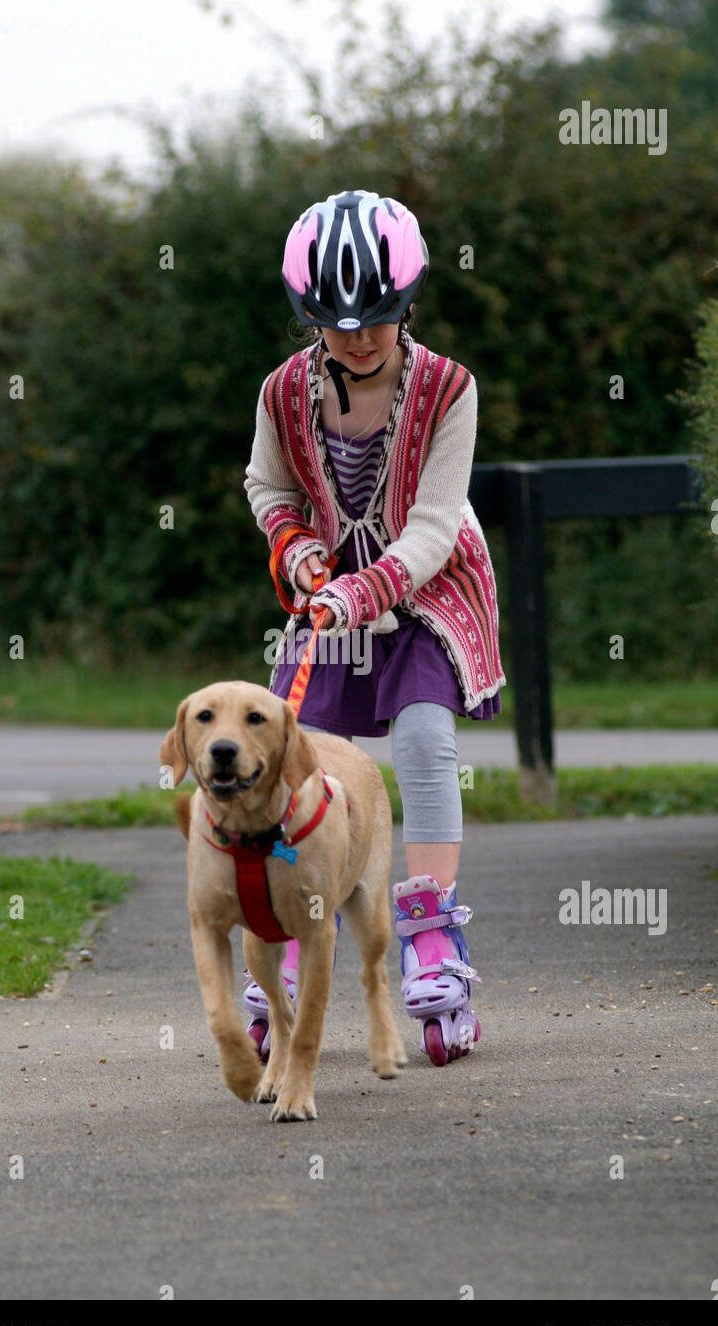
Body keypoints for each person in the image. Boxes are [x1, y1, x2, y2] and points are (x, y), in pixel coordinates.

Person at [243, 188, 505, 1067]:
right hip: (331, 595)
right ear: (307, 314)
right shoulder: (284, 392)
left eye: (377, 320)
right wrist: (298, 550)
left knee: (426, 740)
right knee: (289, 751)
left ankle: (432, 940)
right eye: (334, 322)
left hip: (428, 588)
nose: (357, 338)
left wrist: (367, 591)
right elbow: (268, 489)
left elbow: (434, 526)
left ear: (407, 303)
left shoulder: (448, 389)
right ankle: (275, 934)